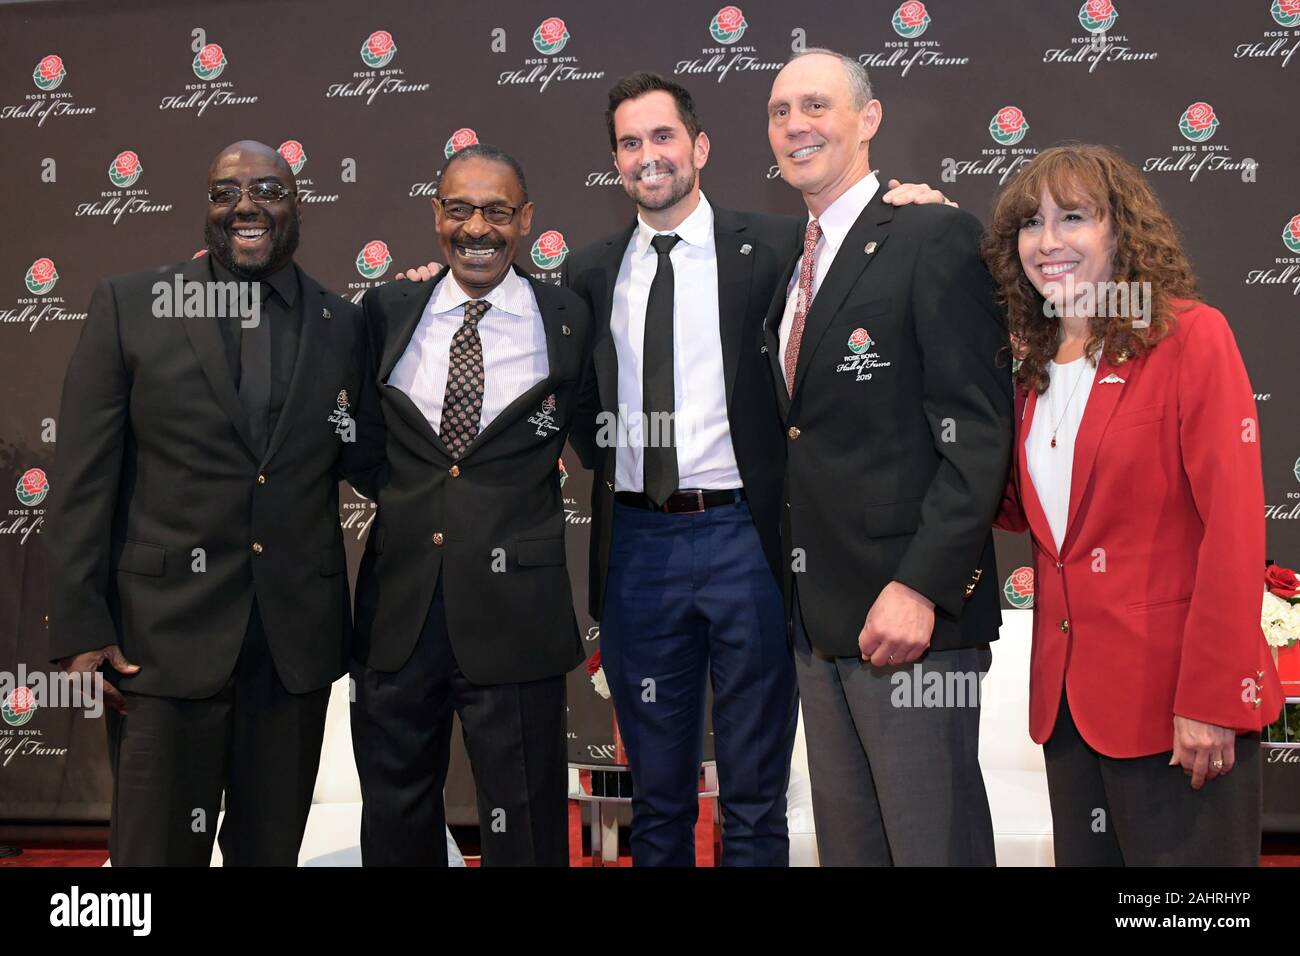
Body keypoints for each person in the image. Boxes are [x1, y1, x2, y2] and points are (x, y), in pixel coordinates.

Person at [46, 140, 370, 866]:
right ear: (208, 208)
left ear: (297, 205)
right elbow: (82, 481)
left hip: (291, 648)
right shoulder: (129, 306)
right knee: (153, 856)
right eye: (226, 192)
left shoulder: (343, 324)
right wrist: (80, 626)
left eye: (267, 189)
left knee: (268, 852)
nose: (246, 206)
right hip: (160, 644)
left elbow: (369, 457)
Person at [985, 142, 1282, 865]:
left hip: (1177, 712)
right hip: (1067, 715)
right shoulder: (1029, 365)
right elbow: (1021, 513)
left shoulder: (1188, 337)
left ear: (1122, 231)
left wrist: (1212, 699)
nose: (1048, 241)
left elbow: (1234, 531)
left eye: (1073, 218)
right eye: (1030, 223)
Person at [764, 50, 1013, 865]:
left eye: (816, 105)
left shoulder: (933, 234)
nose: (796, 125)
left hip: (911, 623)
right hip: (819, 625)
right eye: (778, 111)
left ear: (868, 121)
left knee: (932, 846)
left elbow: (976, 434)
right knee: (855, 853)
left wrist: (921, 588)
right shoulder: (788, 267)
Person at [344, 144, 594, 866]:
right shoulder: (387, 309)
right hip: (398, 612)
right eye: (458, 209)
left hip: (518, 613)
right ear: (436, 215)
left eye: (495, 211)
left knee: (528, 822)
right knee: (395, 816)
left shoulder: (567, 318)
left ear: (525, 220)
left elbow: (597, 437)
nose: (475, 227)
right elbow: (358, 440)